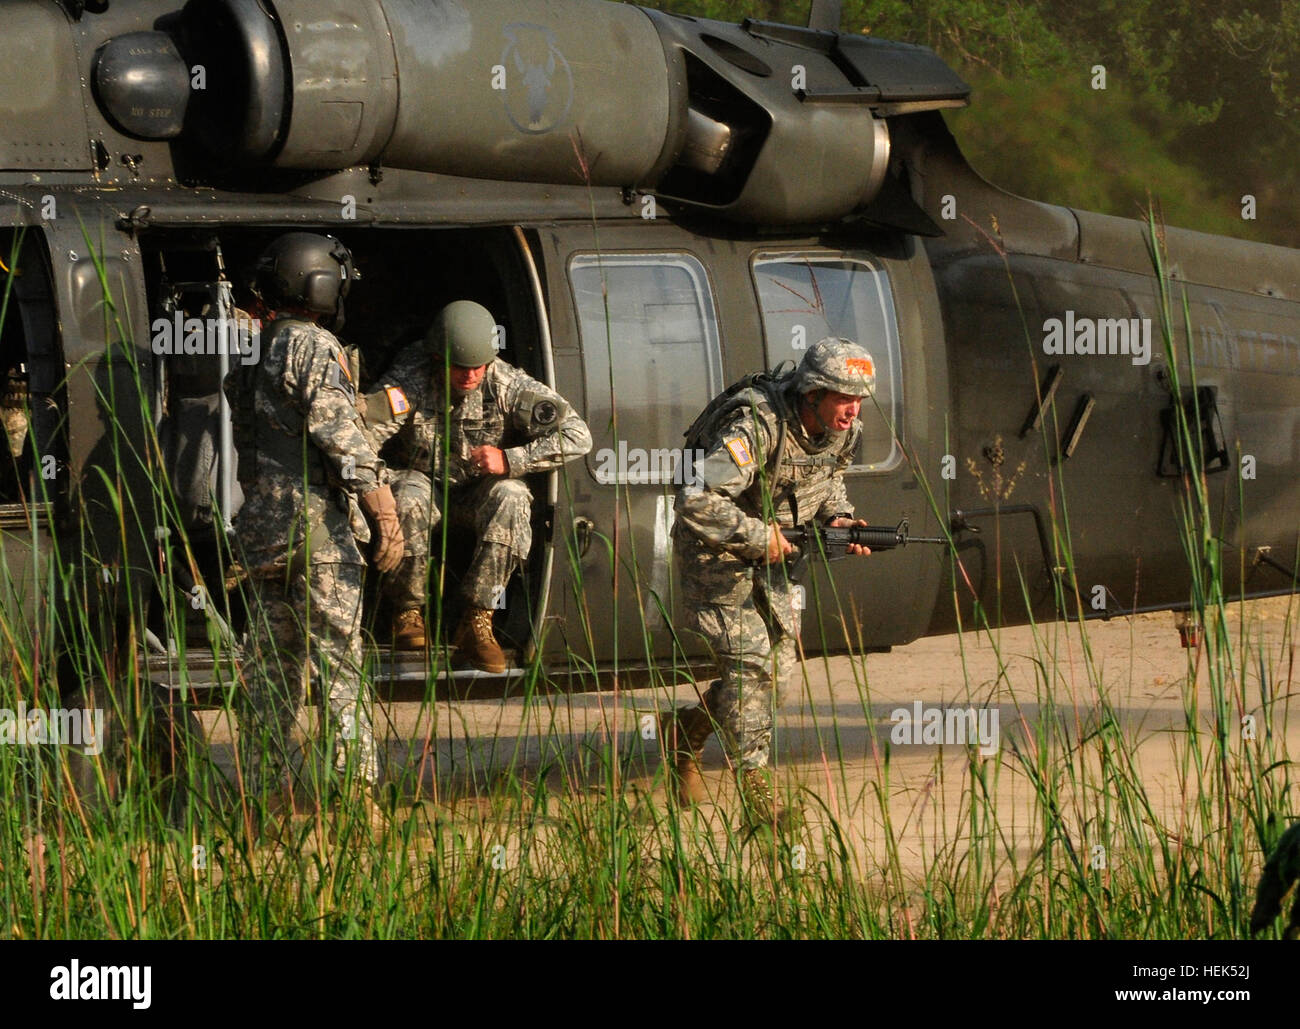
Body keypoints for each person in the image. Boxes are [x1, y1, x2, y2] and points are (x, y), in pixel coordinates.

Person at [225, 232, 404, 826]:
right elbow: (341, 441)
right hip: (317, 535)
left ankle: (259, 800)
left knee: (271, 674)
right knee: (339, 669)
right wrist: (383, 511)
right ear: (319, 284)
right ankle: (358, 804)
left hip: (262, 535)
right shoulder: (313, 345)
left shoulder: (255, 350)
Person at [666, 337, 876, 825]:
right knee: (751, 662)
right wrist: (760, 536)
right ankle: (757, 795)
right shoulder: (758, 425)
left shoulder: (844, 430)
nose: (853, 410)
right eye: (845, 398)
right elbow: (696, 499)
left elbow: (828, 482)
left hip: (777, 551)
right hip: (714, 549)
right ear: (813, 393)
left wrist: (841, 519)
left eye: (860, 399)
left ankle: (686, 734)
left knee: (775, 678)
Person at [362, 300, 591, 671]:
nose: (470, 376)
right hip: (421, 481)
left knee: (513, 496)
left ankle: (478, 620)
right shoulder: (412, 376)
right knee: (406, 497)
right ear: (438, 359)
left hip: (474, 491)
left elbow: (577, 435)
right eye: (460, 367)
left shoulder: (506, 383)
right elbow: (364, 435)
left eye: (477, 368)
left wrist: (512, 460)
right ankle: (407, 612)